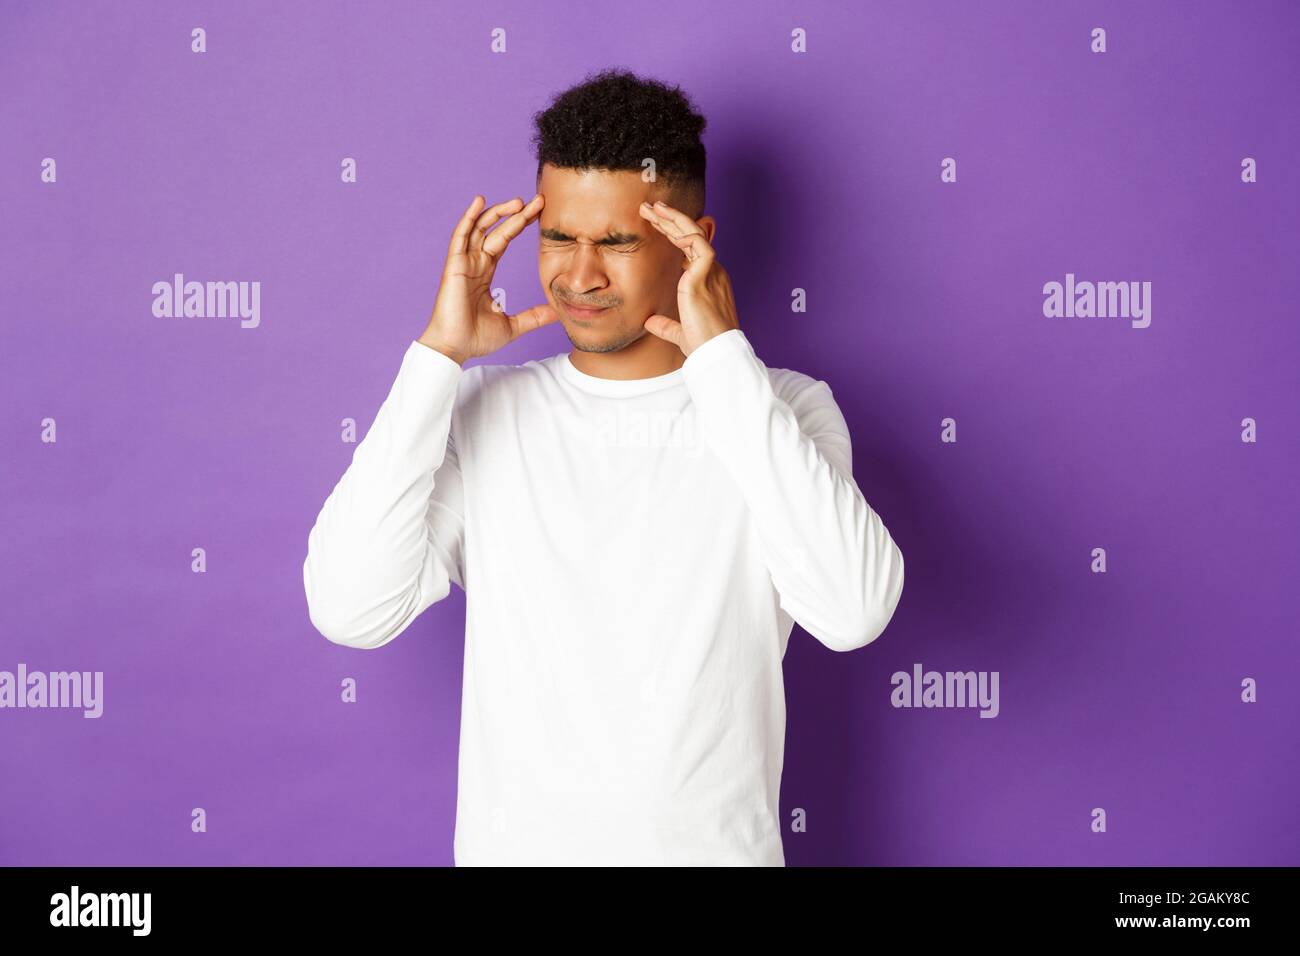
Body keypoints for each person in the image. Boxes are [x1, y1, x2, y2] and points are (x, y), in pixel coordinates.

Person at [302, 68, 905, 866]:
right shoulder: (486, 411)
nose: (579, 275)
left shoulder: (782, 410)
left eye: (617, 242)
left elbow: (853, 609)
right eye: (559, 236)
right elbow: (350, 608)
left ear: (695, 243)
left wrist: (723, 359)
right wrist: (436, 359)